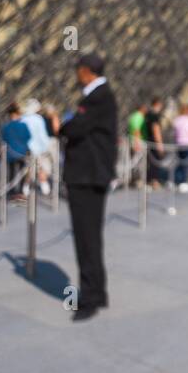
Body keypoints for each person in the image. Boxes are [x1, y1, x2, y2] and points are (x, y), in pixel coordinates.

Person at [60, 53, 117, 322]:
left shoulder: (98, 97)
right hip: (92, 175)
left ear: (86, 72)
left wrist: (59, 125)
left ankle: (90, 298)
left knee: (86, 238)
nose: (75, 75)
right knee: (92, 237)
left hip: (86, 176)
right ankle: (99, 292)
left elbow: (76, 129)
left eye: (78, 71)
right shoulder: (102, 96)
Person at [21, 98, 54, 196]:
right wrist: (46, 146)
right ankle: (45, 188)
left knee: (29, 169)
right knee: (42, 168)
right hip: (39, 149)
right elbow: (42, 135)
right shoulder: (38, 119)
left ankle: (25, 189)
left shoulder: (23, 118)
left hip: (26, 148)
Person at [1, 103, 31, 203]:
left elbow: (4, 138)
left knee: (11, 173)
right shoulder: (23, 125)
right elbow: (28, 137)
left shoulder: (6, 126)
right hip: (22, 152)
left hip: (10, 153)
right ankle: (20, 192)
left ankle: (11, 192)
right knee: (22, 173)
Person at [172, 103, 188, 193]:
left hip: (178, 143)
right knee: (186, 163)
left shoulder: (177, 119)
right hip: (187, 143)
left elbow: (175, 133)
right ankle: (183, 182)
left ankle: (176, 180)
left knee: (180, 162)